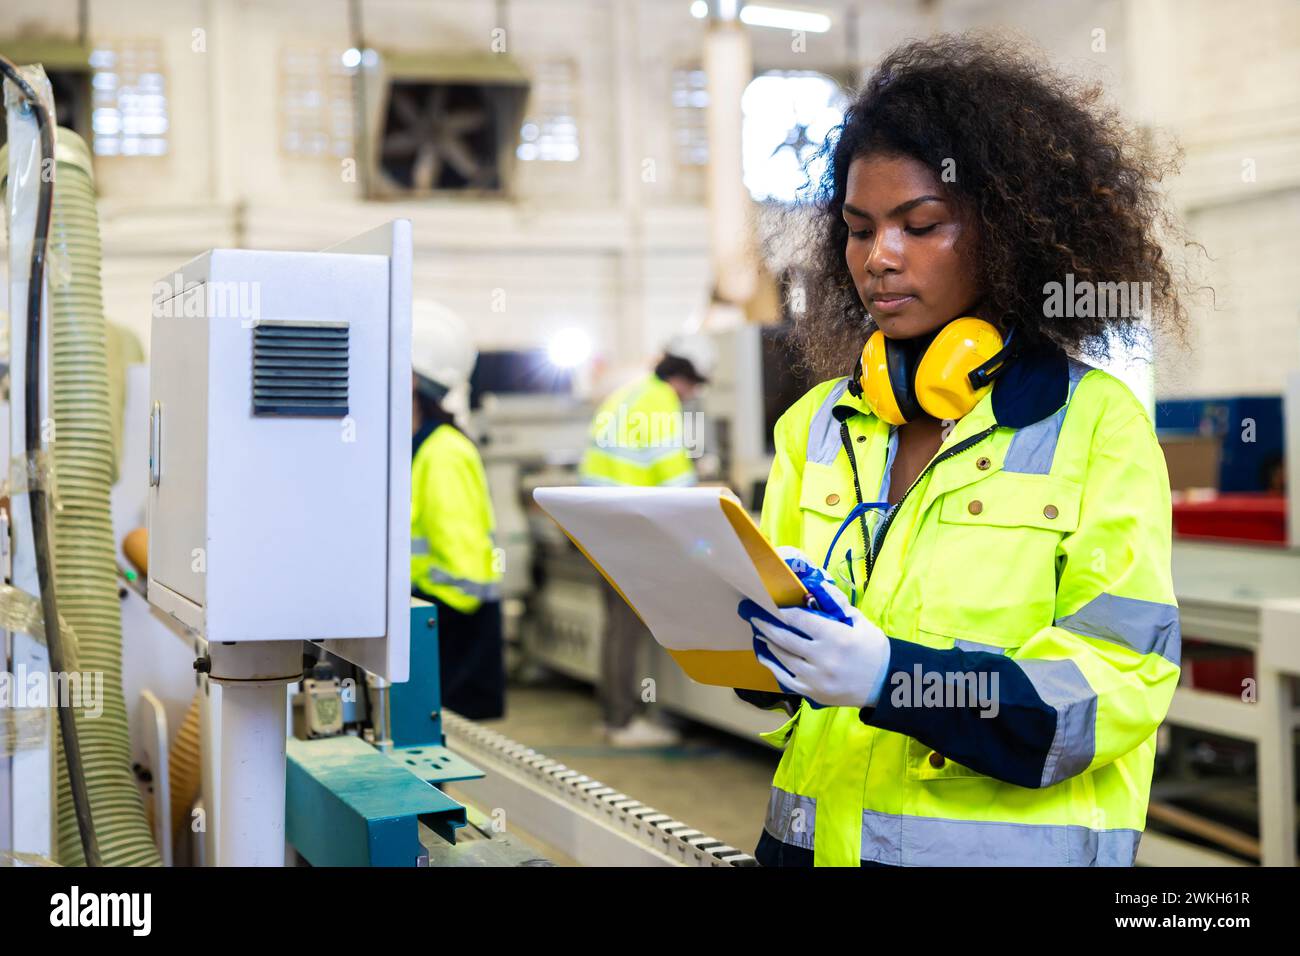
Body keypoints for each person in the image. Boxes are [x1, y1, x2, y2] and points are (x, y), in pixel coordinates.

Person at [735, 36, 1185, 867]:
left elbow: (1114, 687)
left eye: (922, 225)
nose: (880, 257)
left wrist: (893, 678)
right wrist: (755, 647)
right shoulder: (818, 424)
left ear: (1006, 233)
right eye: (859, 229)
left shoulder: (1096, 427)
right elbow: (778, 667)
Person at [579, 336, 714, 747]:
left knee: (616, 625)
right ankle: (622, 721)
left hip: (600, 520)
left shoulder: (628, 394)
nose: (694, 394)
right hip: (627, 528)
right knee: (626, 625)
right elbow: (675, 477)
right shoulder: (659, 403)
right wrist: (710, 490)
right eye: (696, 385)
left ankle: (614, 715)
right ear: (684, 379)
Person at [410, 303, 505, 720]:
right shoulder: (420, 447)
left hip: (453, 637)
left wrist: (417, 609)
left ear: (411, 379)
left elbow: (463, 577)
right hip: (437, 628)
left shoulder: (444, 452)